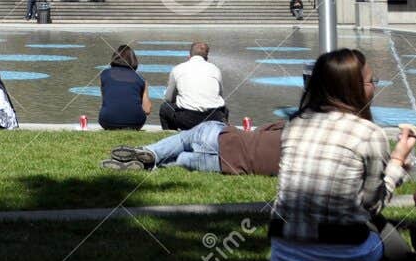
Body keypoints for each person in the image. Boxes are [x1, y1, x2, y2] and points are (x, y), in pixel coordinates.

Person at [268, 48, 416, 261]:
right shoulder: (369, 133)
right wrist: (398, 161)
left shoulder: (294, 125)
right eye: (371, 81)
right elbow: (373, 204)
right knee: (387, 235)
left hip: (283, 257)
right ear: (354, 87)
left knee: (380, 231)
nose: (374, 86)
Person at [104, 121, 283, 175]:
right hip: (225, 165)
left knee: (185, 139)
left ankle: (151, 152)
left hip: (224, 138)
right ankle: (148, 165)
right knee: (182, 158)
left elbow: (261, 130)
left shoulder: (290, 129)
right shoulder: (291, 169)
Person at [159, 42, 227, 130]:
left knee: (165, 107)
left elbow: (168, 98)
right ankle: (220, 135)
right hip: (214, 117)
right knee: (225, 110)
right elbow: (220, 96)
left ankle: (172, 136)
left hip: (188, 119)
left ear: (189, 56)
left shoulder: (178, 69)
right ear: (207, 58)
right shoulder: (215, 69)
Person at [98, 44, 151, 131]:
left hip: (107, 121)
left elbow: (105, 101)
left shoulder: (104, 74)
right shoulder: (141, 79)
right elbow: (147, 110)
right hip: (136, 123)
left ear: (114, 58)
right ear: (133, 60)